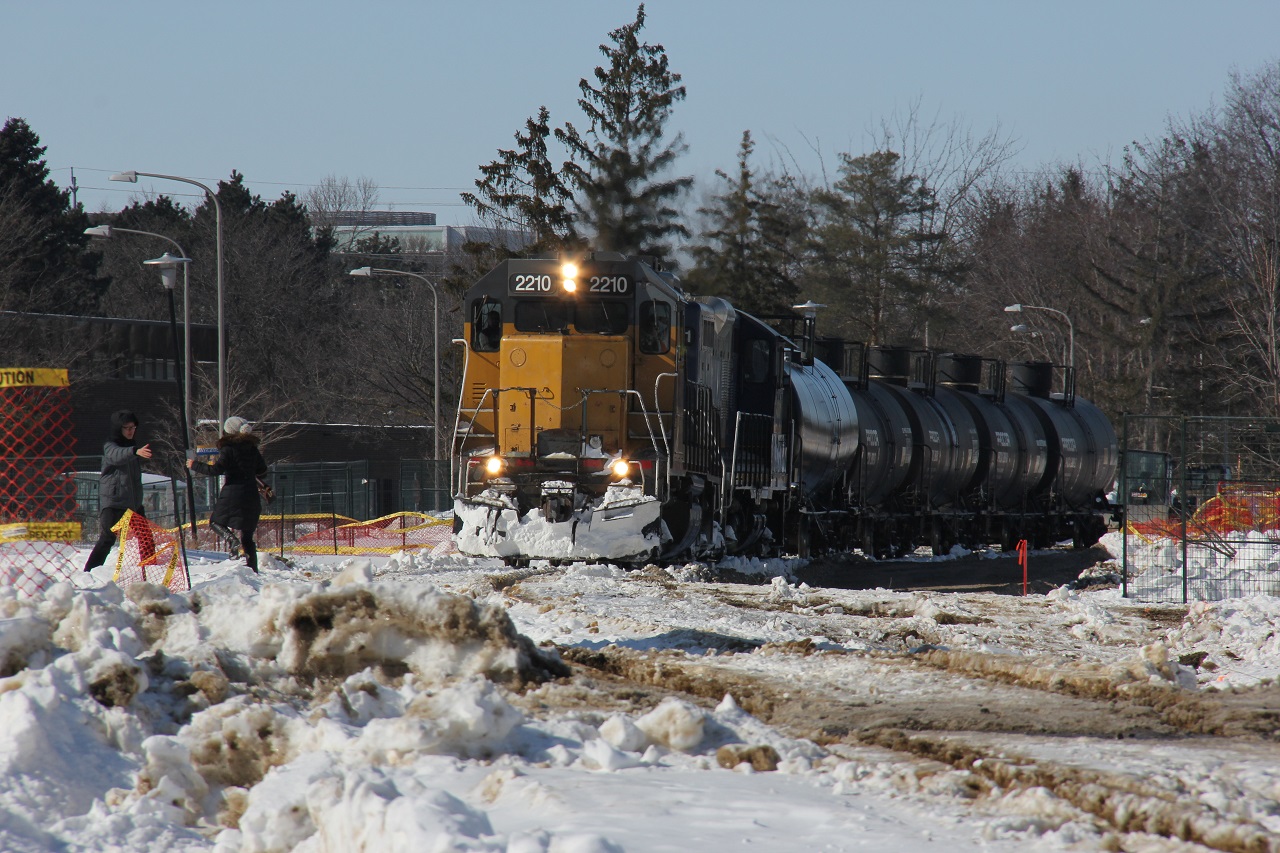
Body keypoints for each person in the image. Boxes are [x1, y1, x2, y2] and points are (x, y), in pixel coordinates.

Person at [187, 416, 268, 572]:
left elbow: (215, 470)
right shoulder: (252, 448)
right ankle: (253, 571)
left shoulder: (228, 448)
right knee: (248, 537)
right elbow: (263, 470)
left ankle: (231, 540)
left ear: (228, 431)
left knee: (216, 521)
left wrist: (194, 465)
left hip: (233, 493)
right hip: (251, 494)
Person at [83, 410, 152, 572]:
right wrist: (134, 451)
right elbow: (116, 456)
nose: (130, 431)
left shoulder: (131, 447)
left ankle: (150, 567)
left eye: (133, 428)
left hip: (133, 503)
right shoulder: (111, 446)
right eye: (126, 428)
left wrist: (134, 451)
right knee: (108, 537)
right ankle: (90, 571)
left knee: (146, 536)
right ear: (118, 429)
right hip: (114, 502)